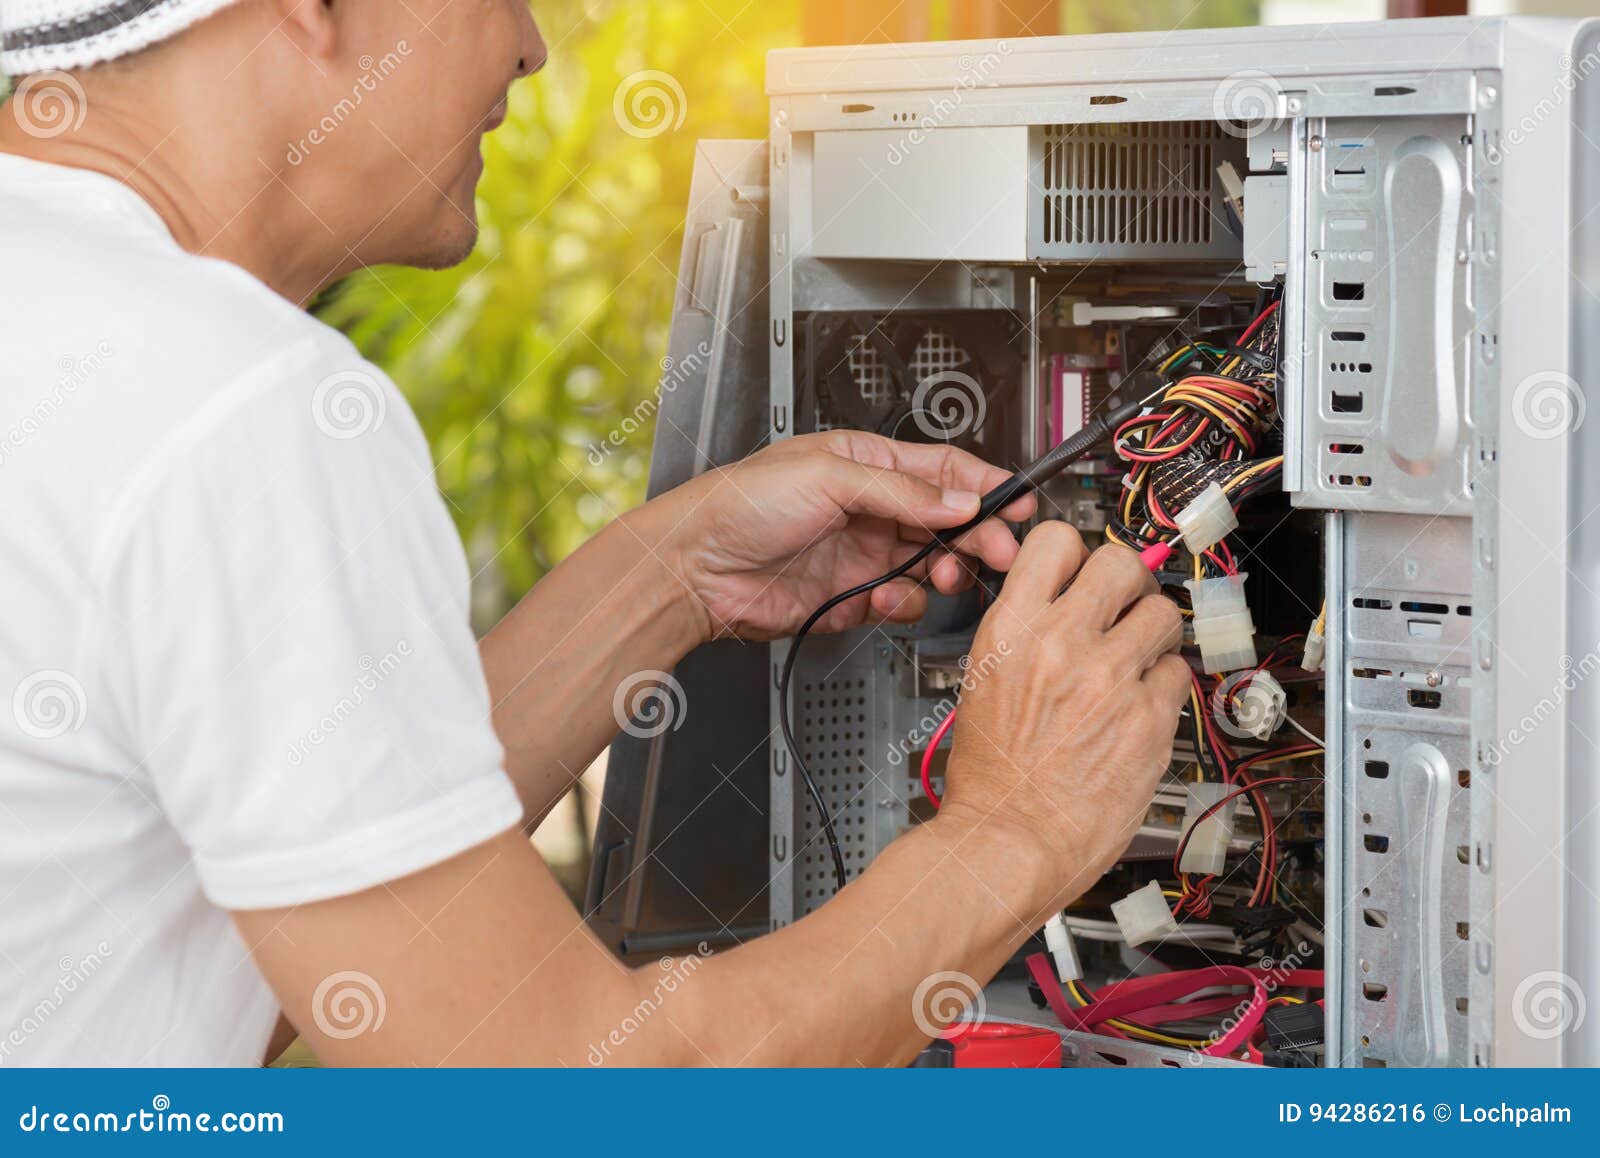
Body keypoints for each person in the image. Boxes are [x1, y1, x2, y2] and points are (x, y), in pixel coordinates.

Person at [0, 0, 1188, 1066]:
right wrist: (1014, 829)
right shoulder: (231, 404)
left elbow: (275, 944)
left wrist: (676, 575)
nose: (526, 44)